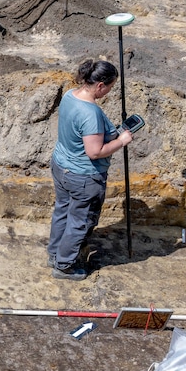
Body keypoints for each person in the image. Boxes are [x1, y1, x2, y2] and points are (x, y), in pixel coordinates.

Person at [47, 59, 134, 281]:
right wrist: (122, 140)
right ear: (100, 86)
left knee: (63, 212)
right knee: (79, 221)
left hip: (61, 166)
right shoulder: (91, 114)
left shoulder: (69, 95)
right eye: (110, 88)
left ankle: (55, 254)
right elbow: (95, 152)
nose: (109, 92)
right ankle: (64, 265)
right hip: (83, 177)